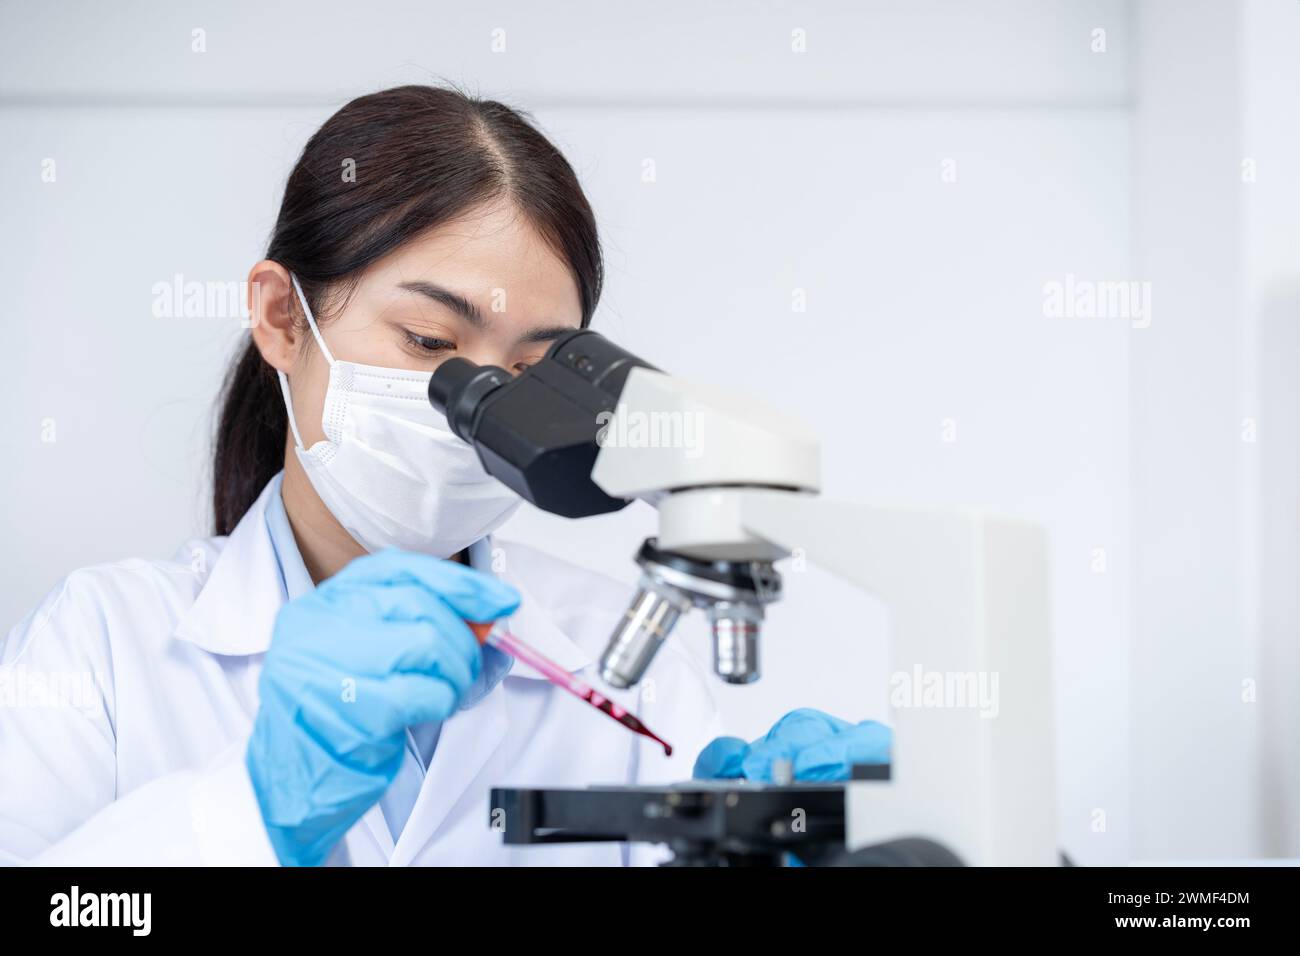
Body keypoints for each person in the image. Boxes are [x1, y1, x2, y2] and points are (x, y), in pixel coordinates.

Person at [0, 85, 889, 867]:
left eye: (532, 373)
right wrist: (249, 811)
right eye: (429, 342)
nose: (480, 405)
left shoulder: (622, 663)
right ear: (282, 318)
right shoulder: (103, 646)